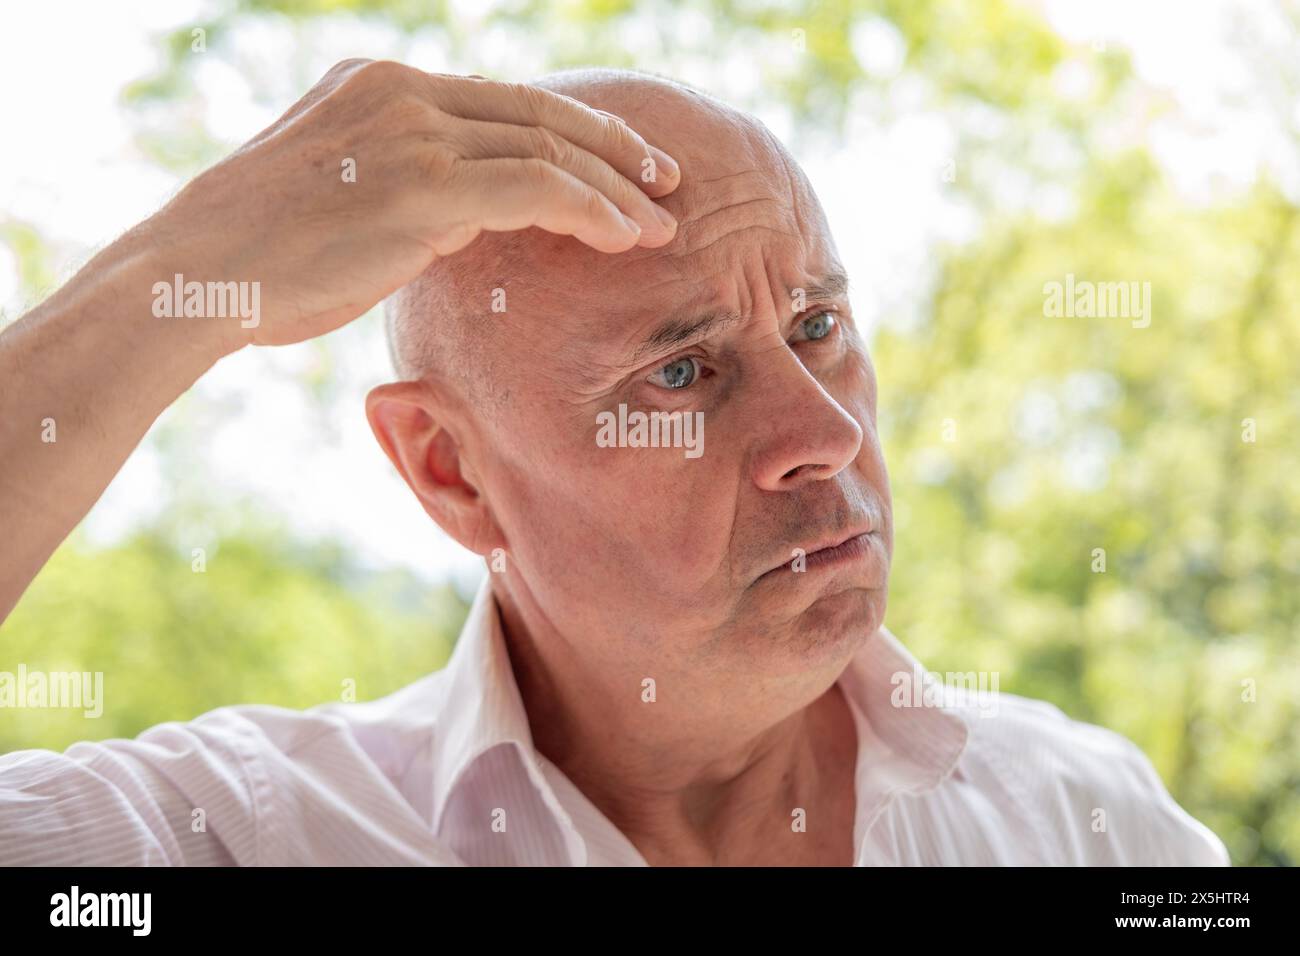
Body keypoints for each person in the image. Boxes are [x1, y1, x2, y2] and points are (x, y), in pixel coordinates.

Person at [0, 62, 1230, 866]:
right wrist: (178, 272)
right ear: (450, 472)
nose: (826, 436)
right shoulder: (250, 837)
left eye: (817, 329)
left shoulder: (1088, 822)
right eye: (681, 374)